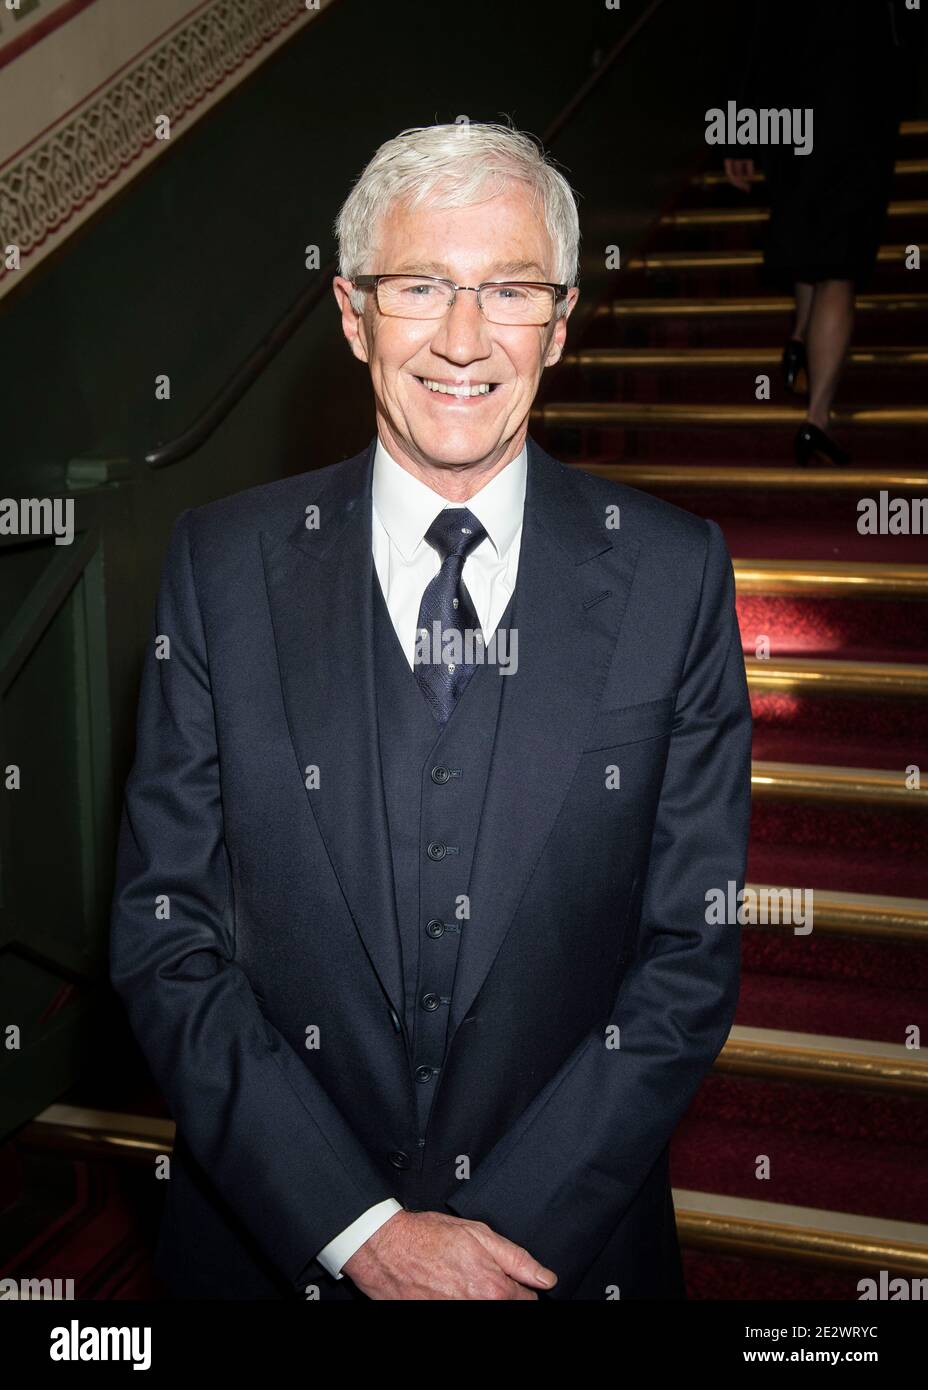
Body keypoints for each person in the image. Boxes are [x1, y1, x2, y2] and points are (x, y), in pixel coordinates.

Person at [109, 121, 752, 1301]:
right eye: (421, 287)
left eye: (509, 290)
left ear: (558, 325)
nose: (464, 340)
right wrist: (362, 1233)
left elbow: (688, 956)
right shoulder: (220, 565)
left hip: (562, 1256)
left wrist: (491, 1246)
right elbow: (167, 935)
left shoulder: (673, 573)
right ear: (354, 316)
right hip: (270, 1248)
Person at [724, 0, 923, 466]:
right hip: (859, 106)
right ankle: (817, 419)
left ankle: (799, 336)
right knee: (839, 265)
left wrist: (737, 131)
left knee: (808, 235)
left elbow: (751, 33)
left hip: (790, 114)